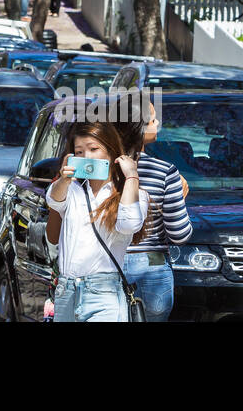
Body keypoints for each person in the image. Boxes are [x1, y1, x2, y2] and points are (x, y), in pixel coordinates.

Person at [45, 121, 148, 322]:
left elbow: (129, 224)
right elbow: (53, 200)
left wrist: (131, 177)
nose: (87, 157)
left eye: (94, 149)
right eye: (79, 152)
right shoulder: (73, 189)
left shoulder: (130, 193)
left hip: (103, 291)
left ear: (111, 153)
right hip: (66, 290)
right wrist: (64, 178)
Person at [116, 91, 192, 322]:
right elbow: (179, 234)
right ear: (138, 127)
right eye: (152, 119)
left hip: (108, 266)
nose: (158, 123)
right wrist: (181, 199)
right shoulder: (164, 171)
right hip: (152, 269)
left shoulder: (102, 169)